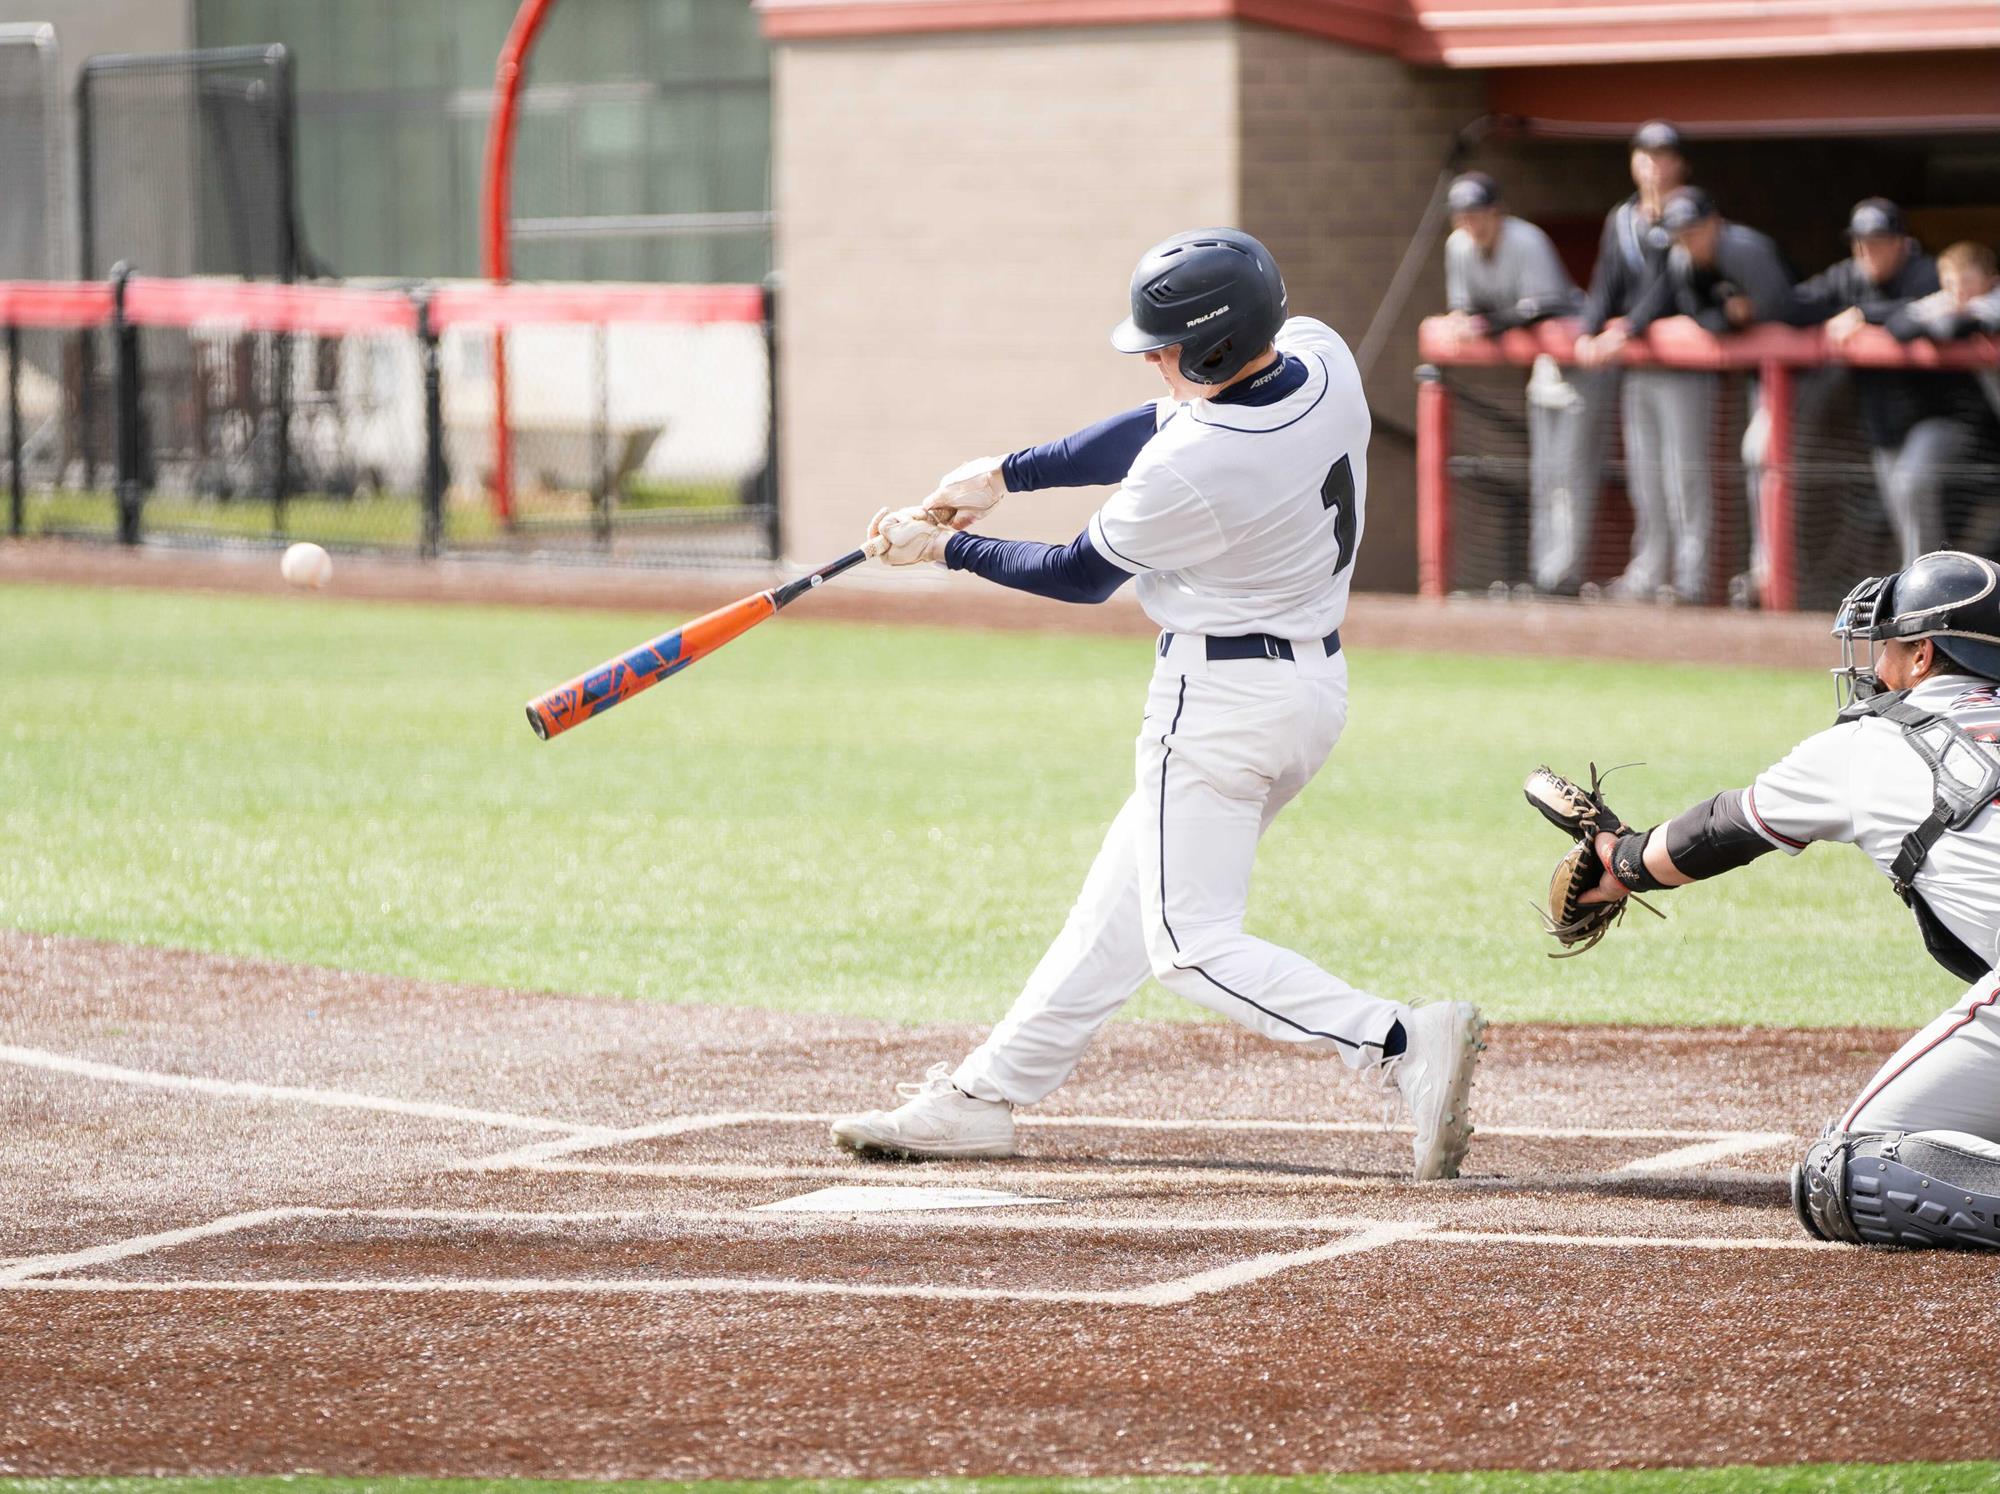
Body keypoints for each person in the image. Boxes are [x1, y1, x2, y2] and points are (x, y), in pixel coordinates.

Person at [828, 228, 1487, 1181]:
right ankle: (982, 1097)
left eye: (1165, 344)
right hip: (1305, 690)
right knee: (1117, 915)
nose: (1151, 357)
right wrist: (1005, 475)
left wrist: (944, 550)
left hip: (1217, 703)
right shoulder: (1320, 354)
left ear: (1213, 347)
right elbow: (1157, 418)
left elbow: (1079, 573)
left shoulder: (1205, 465)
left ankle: (1394, 1042)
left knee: (1185, 947)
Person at [1569, 550, 2000, 1249]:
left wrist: (1619, 861)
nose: (1875, 661)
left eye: (1888, 643)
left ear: (1922, 655)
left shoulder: (1873, 744)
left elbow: (1722, 828)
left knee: (1851, 1171)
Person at [1580, 187, 1800, 604]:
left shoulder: (1747, 250)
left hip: (1799, 373)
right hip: (1751, 375)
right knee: (1679, 473)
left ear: (1715, 223)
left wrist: (1746, 315)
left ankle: (1727, 584)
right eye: (1680, 233)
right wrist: (1729, 316)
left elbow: (1786, 310)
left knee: (1757, 468)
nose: (1687, 240)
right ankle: (1695, 581)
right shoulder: (1681, 260)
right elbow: (1699, 314)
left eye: (1694, 231)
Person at [1437, 171, 1606, 595]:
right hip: (1543, 367)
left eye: (1478, 213)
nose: (1471, 224)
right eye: (1463, 216)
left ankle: (1562, 576)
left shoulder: (1526, 240)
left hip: (1579, 360)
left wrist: (1485, 325)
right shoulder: (1458, 247)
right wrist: (1467, 322)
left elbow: (1542, 308)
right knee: (1546, 472)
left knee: (1571, 471)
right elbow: (1465, 310)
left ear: (1498, 212)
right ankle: (1545, 573)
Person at [1797, 201, 1989, 569]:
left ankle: (1924, 586)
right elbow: (1790, 304)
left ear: (1903, 241)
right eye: (1861, 242)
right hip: (1887, 425)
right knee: (1898, 503)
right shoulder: (1848, 276)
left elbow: (1924, 315)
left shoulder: (1926, 273)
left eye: (1880, 241)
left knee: (1911, 483)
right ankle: (1917, 583)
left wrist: (1865, 314)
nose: (1868, 250)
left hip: (1950, 419)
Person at [1574, 121, 1699, 603]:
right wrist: (1588, 330)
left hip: (1685, 364)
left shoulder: (1691, 209)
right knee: (1645, 473)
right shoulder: (1621, 216)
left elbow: (1669, 286)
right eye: (1646, 154)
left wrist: (1624, 329)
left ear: (1679, 162)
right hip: (1639, 366)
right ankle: (1649, 573)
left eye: (1664, 155)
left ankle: (1691, 579)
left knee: (1685, 474)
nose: (1654, 164)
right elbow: (1604, 283)